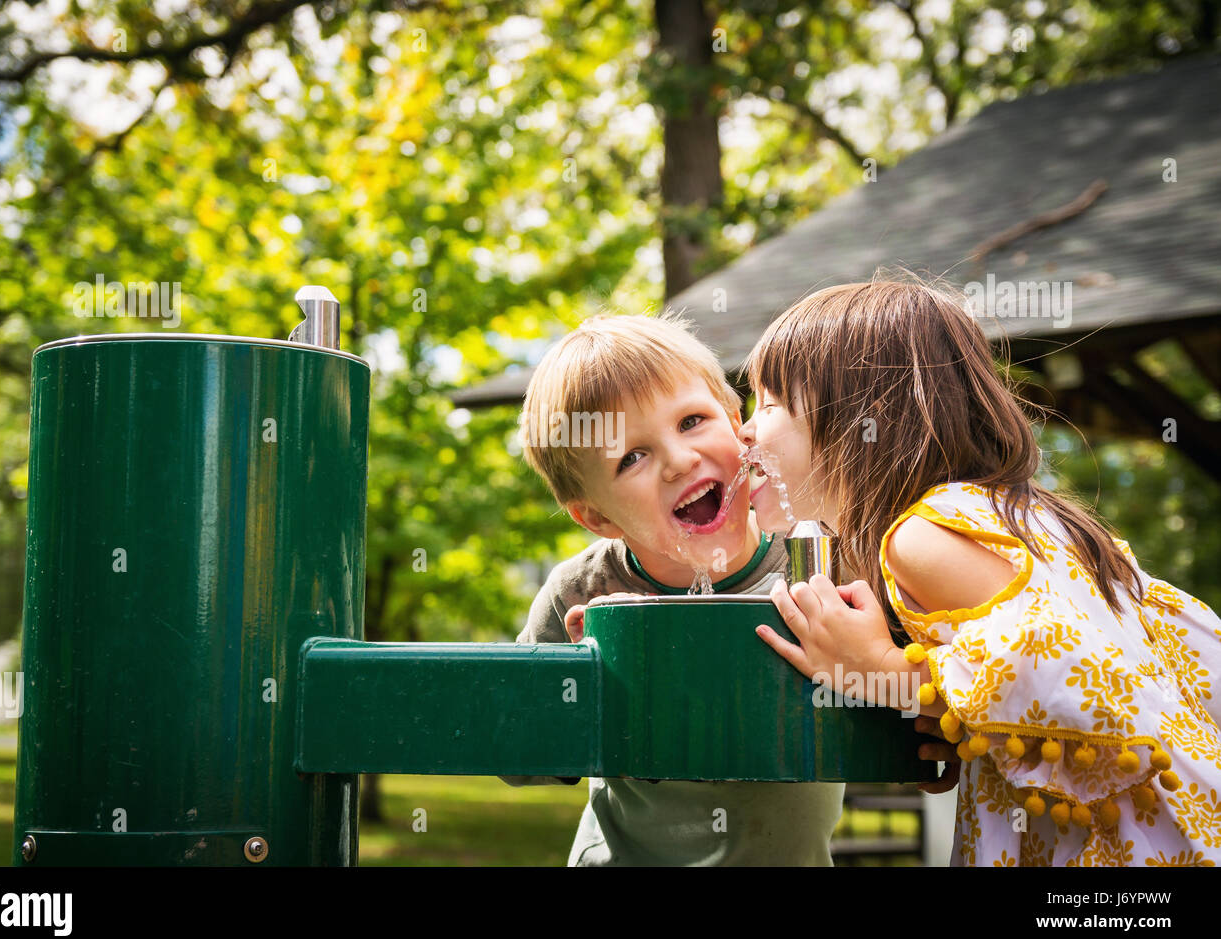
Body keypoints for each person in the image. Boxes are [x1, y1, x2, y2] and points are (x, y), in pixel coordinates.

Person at [738, 278, 1221, 866]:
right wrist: (954, 721)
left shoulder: (920, 535)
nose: (744, 430)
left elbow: (1076, 673)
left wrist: (883, 672)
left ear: (861, 419)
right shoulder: (1015, 516)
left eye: (766, 404)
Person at [502, 311, 845, 866]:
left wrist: (919, 730)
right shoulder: (582, 591)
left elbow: (903, 694)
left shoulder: (821, 560)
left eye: (691, 421)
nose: (679, 461)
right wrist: (596, 679)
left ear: (738, 422)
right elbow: (517, 756)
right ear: (597, 517)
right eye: (631, 458)